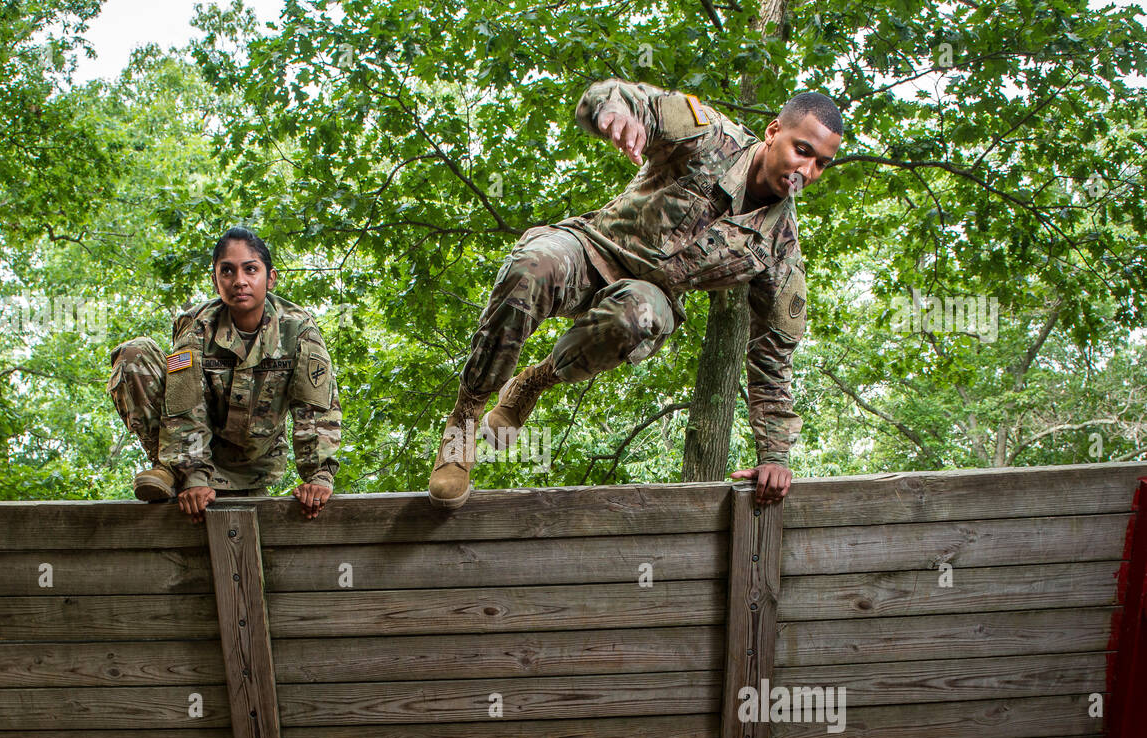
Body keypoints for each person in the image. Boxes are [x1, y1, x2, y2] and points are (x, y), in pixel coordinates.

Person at [428, 79, 843, 509]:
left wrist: (774, 456)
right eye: (803, 151)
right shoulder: (709, 135)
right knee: (532, 267)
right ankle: (465, 417)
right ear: (774, 132)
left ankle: (536, 380)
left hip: (647, 296)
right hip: (590, 250)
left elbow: (773, 353)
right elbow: (627, 100)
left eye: (822, 165)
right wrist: (615, 113)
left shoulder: (779, 248)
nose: (807, 172)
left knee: (640, 316)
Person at [107, 227, 342, 524]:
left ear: (270, 278)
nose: (239, 281)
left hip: (255, 462)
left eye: (251, 269)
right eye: (227, 271)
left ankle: (181, 469)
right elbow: (184, 402)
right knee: (134, 354)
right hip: (193, 455)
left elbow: (315, 406)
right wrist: (193, 477)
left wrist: (318, 477)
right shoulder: (197, 326)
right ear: (215, 280)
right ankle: (168, 468)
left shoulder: (297, 329)